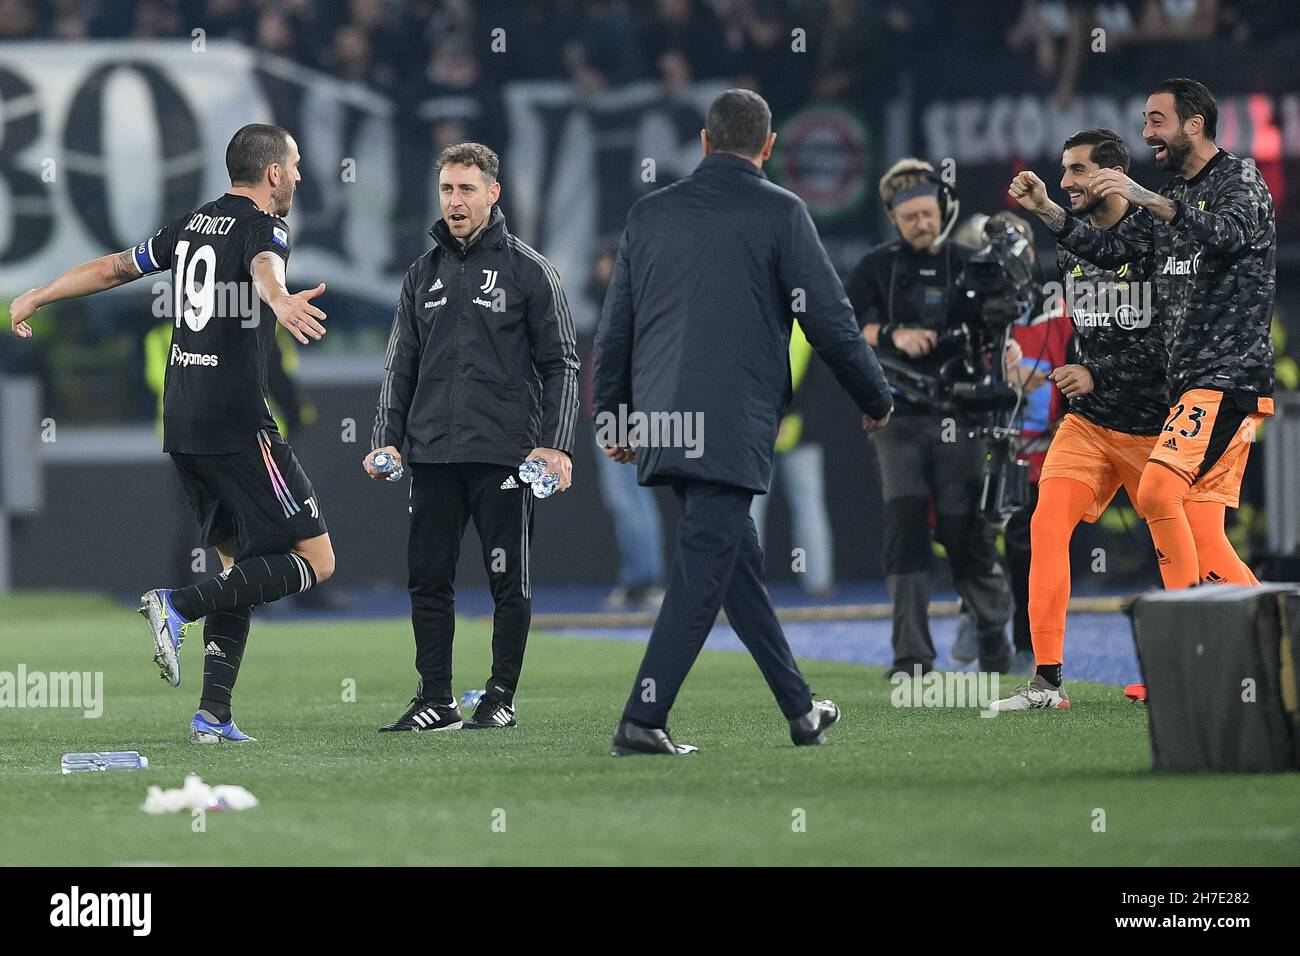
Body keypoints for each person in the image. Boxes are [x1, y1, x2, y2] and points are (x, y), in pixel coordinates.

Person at [9, 123, 335, 743]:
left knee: (240, 564)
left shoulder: (193, 225)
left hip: (182, 418)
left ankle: (213, 716)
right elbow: (267, 267)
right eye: (293, 165)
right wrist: (281, 299)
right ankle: (178, 604)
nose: (297, 175)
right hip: (238, 421)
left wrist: (38, 295)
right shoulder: (267, 227)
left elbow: (111, 268)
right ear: (271, 174)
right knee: (316, 559)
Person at [594, 88, 894, 757]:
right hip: (731, 423)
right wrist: (875, 399)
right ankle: (642, 719)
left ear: (703, 142)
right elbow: (832, 322)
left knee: (735, 566)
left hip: (664, 422)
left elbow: (616, 327)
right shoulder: (781, 212)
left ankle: (799, 708)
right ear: (769, 147)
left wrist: (612, 414)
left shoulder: (650, 213)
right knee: (706, 565)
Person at [1009, 79, 1274, 703]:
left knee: (1161, 493)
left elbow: (1231, 235)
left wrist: (1146, 198)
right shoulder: (1172, 198)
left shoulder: (1240, 179)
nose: (1148, 131)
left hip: (1224, 379)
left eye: (1157, 120)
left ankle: (1181, 665)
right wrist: (1050, 211)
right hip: (1184, 389)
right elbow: (1108, 248)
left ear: (1195, 124)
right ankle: (1262, 650)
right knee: (1203, 541)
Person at [367, 142, 579, 733]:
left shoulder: (530, 271)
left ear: (494, 193)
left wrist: (556, 444)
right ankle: (435, 698)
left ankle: (500, 696)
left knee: (507, 580)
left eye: (466, 189)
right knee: (428, 579)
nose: (455, 202)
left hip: (505, 455)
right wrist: (388, 438)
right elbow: (398, 367)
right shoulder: (421, 274)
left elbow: (562, 361)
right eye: (446, 190)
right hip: (433, 454)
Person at [844, 159, 1013, 680]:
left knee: (968, 533)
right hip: (898, 418)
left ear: (942, 209)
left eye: (928, 212)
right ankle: (912, 659)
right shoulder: (875, 268)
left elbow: (1003, 321)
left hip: (961, 418)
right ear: (894, 219)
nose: (922, 222)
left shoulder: (970, 263)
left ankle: (991, 637)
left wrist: (1003, 351)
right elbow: (847, 328)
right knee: (906, 528)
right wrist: (892, 334)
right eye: (911, 216)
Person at [748, 322, 837, 598]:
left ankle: (748, 583)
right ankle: (819, 583)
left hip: (761, 429)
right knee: (807, 506)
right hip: (794, 429)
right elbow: (819, 380)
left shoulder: (753, 316)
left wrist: (772, 418)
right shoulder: (808, 321)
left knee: (751, 509)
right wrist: (789, 417)